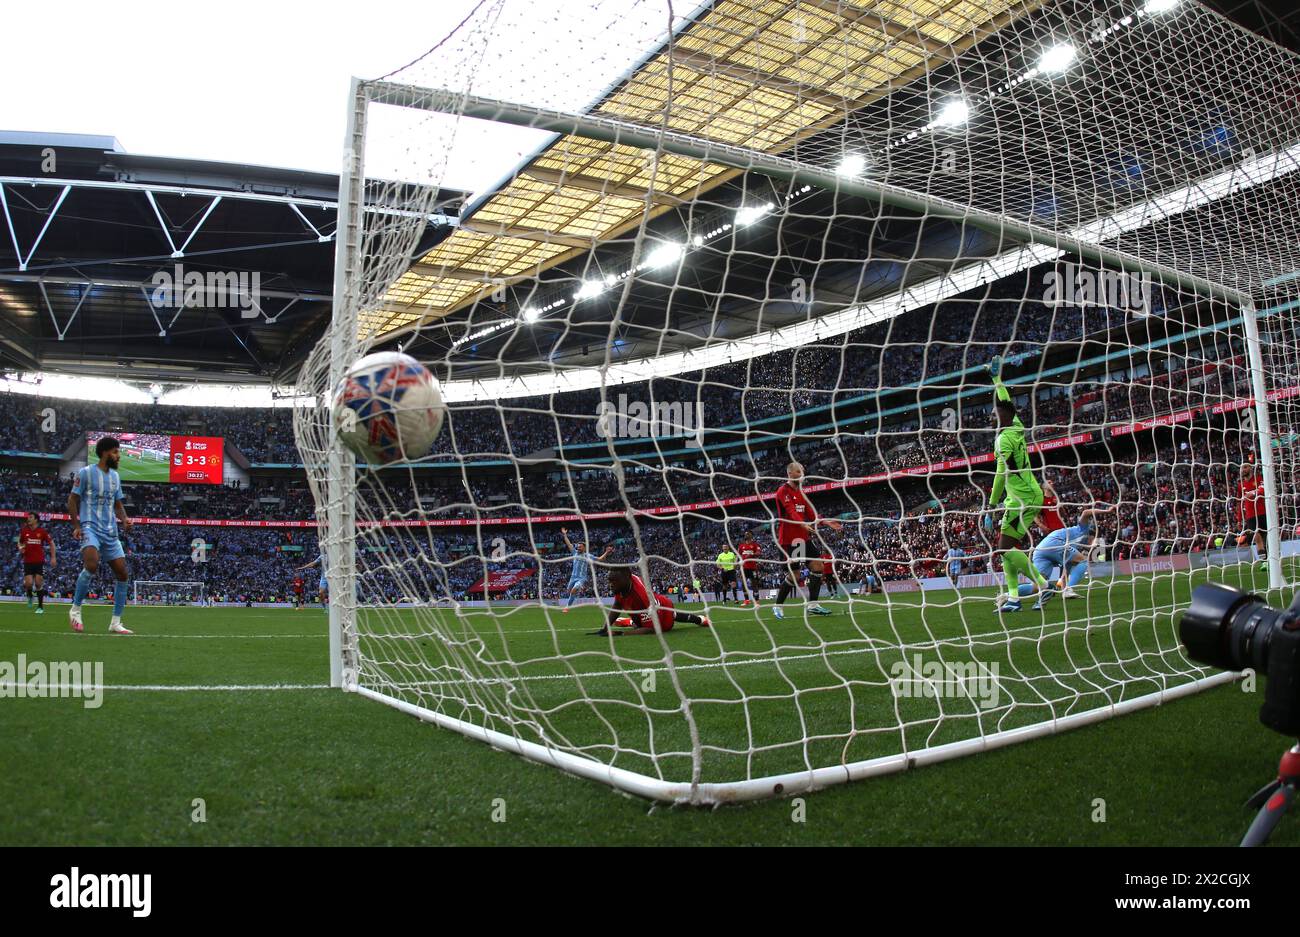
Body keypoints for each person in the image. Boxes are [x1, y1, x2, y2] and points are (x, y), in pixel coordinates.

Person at [983, 358, 1050, 613]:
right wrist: (997, 380)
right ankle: (1013, 599)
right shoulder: (1017, 427)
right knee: (1006, 549)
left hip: (1020, 497)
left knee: (1005, 548)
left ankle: (1044, 585)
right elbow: (1006, 404)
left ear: (1002, 418)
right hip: (1028, 494)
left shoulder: (1003, 441)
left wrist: (991, 505)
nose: (990, 417)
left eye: (992, 415)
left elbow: (1001, 475)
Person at [68, 436, 134, 634]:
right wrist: (77, 525)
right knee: (91, 563)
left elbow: (118, 504)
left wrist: (124, 520)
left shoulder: (115, 477)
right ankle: (75, 610)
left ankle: (115, 622)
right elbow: (72, 500)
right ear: (105, 453)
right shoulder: (86, 473)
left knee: (122, 573)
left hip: (110, 532)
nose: (118, 456)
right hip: (90, 527)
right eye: (115, 452)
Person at [771, 461, 841, 619]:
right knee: (795, 576)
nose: (801, 474)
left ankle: (813, 605)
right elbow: (790, 512)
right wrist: (802, 524)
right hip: (789, 540)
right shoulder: (783, 491)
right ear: (790, 474)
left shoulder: (801, 493)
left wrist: (825, 522)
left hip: (802, 538)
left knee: (818, 566)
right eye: (798, 471)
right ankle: (778, 605)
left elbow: (811, 513)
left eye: (802, 471)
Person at [1016, 508, 1105, 609]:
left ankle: (1008, 596)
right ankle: (1068, 590)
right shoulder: (1082, 530)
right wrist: (1107, 511)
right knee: (1083, 560)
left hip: (1040, 550)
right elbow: (1086, 512)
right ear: (1091, 536)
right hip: (1055, 543)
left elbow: (1066, 569)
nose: (1094, 544)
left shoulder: (1074, 546)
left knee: (1038, 586)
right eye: (1094, 540)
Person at [588, 566, 710, 636]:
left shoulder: (641, 596)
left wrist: (620, 634)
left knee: (671, 616)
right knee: (638, 622)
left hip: (663, 614)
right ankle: (630, 622)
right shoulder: (623, 584)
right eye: (610, 581)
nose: (611, 585)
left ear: (625, 579)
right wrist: (604, 628)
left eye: (614, 582)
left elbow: (651, 629)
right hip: (644, 610)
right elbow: (617, 605)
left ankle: (700, 619)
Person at [560, 527, 612, 610]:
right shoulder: (575, 553)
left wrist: (606, 552)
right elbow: (569, 544)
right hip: (573, 577)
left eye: (580, 547)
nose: (578, 548)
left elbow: (600, 559)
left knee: (574, 590)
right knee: (569, 591)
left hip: (581, 578)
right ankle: (575, 593)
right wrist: (565, 535)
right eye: (578, 546)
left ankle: (567, 607)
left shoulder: (588, 556)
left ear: (584, 548)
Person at [18, 511, 55, 614]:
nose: (28, 519)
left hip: (39, 561)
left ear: (36, 520)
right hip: (28, 561)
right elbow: (20, 542)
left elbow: (51, 543)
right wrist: (20, 548)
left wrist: (53, 558)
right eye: (28, 517)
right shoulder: (24, 531)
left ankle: (40, 607)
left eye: (30, 517)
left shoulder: (42, 532)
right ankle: (30, 596)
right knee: (28, 584)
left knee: (38, 584)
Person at [1234, 463, 1269, 572]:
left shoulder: (1259, 478)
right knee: (1257, 538)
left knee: (1266, 539)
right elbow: (1240, 503)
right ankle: (1264, 562)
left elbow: (1263, 490)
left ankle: (1271, 559)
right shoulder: (1240, 485)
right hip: (1251, 516)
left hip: (1264, 513)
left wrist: (1253, 493)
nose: (1243, 470)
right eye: (1241, 468)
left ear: (1251, 468)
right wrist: (1239, 519)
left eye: (1245, 467)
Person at [737, 530, 761, 606]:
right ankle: (746, 600)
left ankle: (756, 601)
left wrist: (751, 554)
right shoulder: (741, 546)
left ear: (751, 535)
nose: (746, 534)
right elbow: (738, 555)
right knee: (744, 584)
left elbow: (758, 553)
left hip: (753, 567)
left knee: (754, 584)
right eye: (745, 534)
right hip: (744, 567)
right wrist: (737, 563)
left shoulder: (755, 545)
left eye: (748, 533)